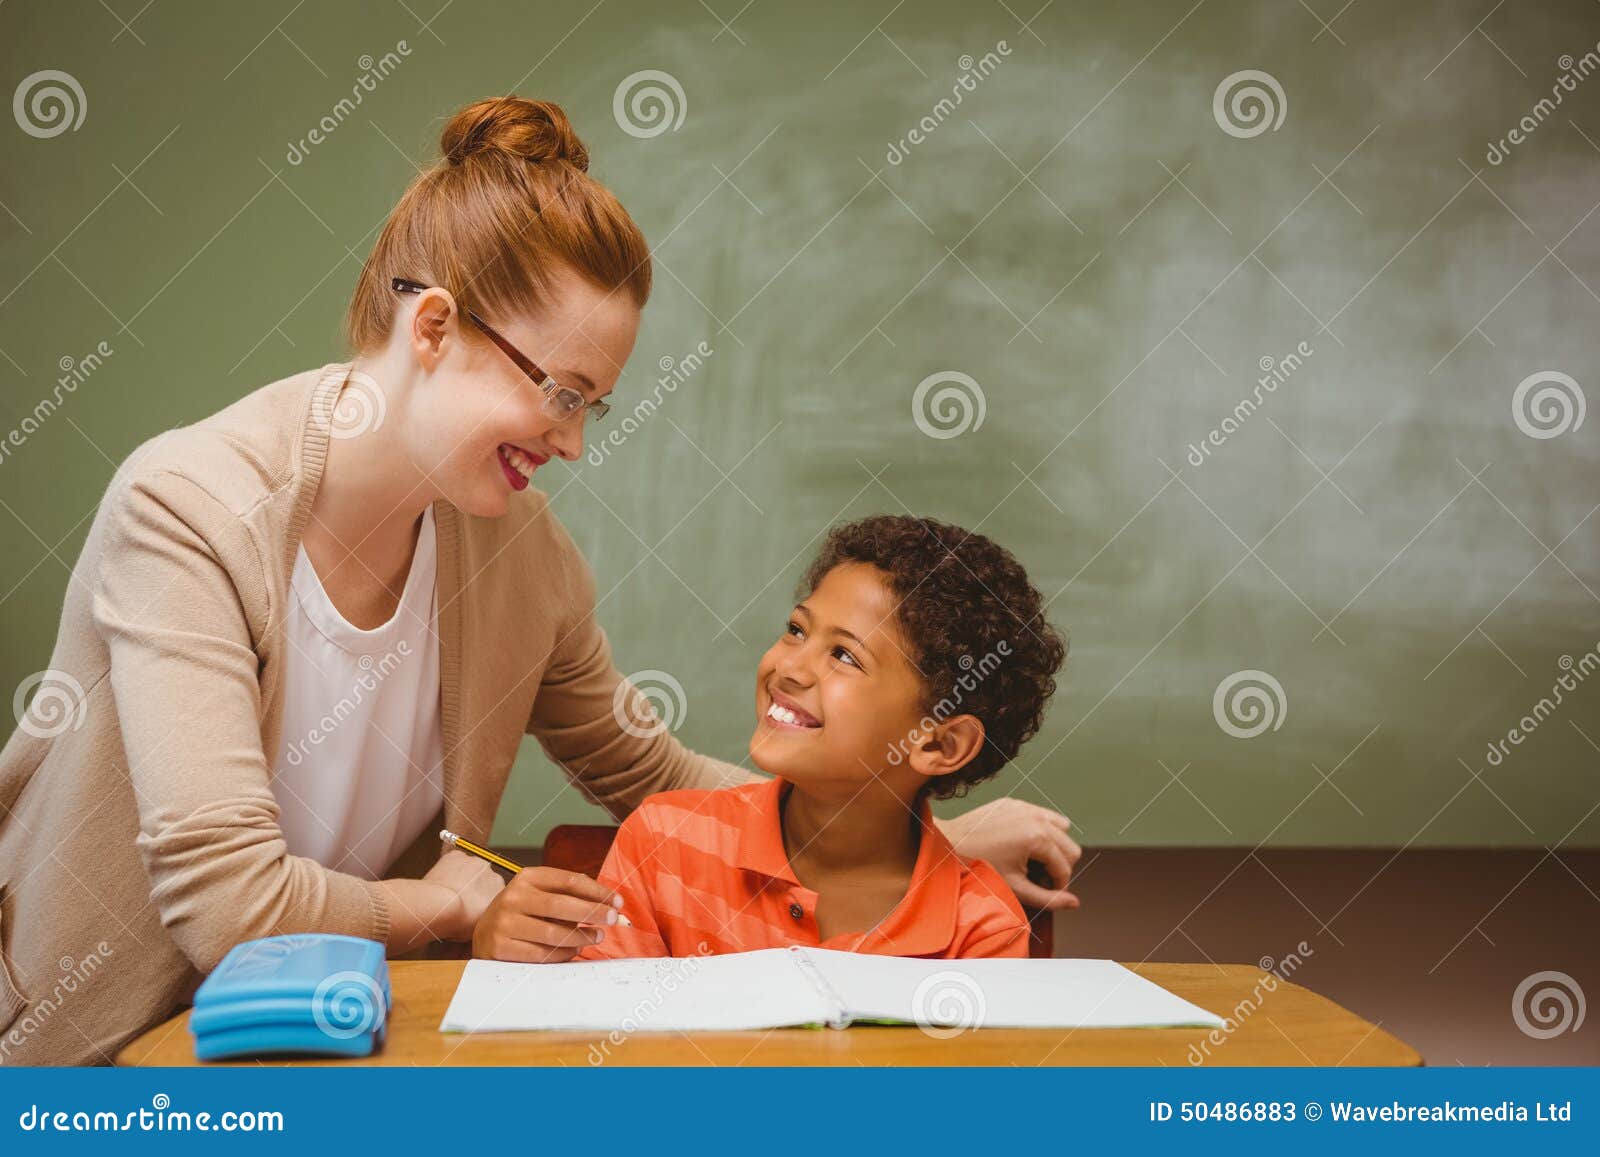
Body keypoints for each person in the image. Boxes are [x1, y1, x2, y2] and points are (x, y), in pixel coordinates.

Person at [0, 96, 1080, 1066]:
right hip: (87, 1053)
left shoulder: (519, 553)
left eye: (591, 405)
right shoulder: (189, 508)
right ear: (431, 327)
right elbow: (228, 903)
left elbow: (643, 767)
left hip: (325, 1045)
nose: (570, 442)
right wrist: (442, 904)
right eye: (558, 392)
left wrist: (903, 830)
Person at [575, 515, 1067, 961]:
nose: (789, 667)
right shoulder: (662, 844)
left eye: (845, 656)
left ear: (940, 745)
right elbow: (611, 1047)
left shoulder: (979, 929)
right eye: (795, 630)